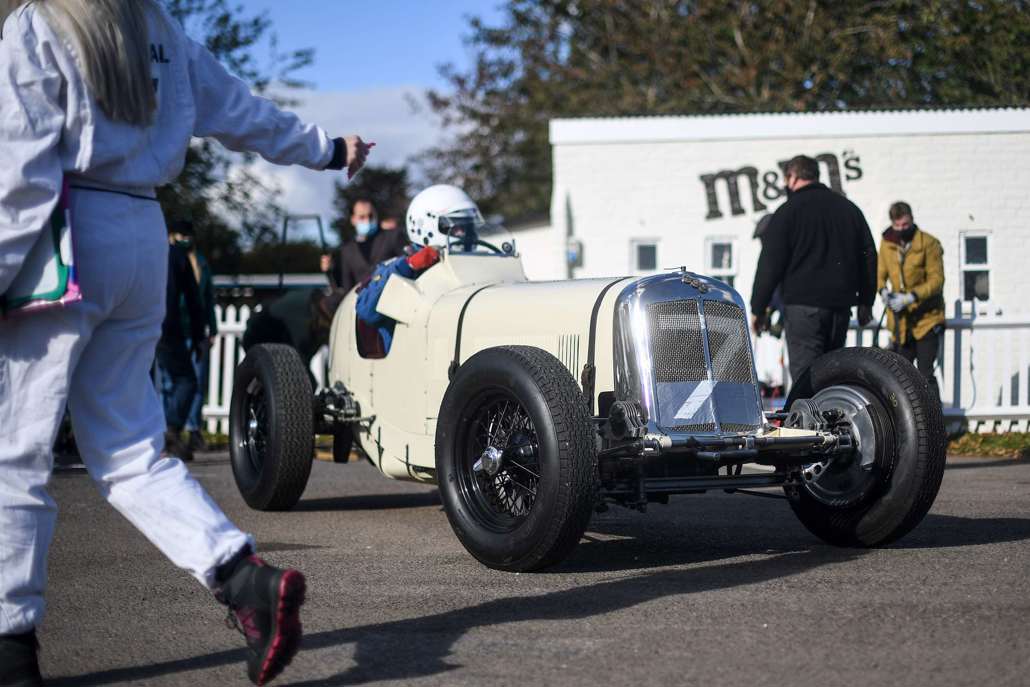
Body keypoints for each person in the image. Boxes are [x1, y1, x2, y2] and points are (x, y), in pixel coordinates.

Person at [0, 1, 371, 684]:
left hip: (65, 230)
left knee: (13, 454)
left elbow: (19, 172)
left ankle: (10, 651)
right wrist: (327, 149)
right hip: (143, 230)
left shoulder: (38, 24)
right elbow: (244, 113)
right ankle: (243, 578)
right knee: (129, 450)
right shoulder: (160, 30)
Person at [750, 155, 877, 383]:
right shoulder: (848, 209)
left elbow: (770, 264)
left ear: (792, 177)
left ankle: (809, 408)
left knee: (805, 379)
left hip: (803, 309)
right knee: (833, 375)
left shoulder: (787, 212)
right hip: (840, 308)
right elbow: (868, 256)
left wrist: (758, 309)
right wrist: (866, 301)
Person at [354, 185, 483, 355]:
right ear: (425, 225)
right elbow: (366, 311)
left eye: (467, 226)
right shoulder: (400, 267)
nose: (464, 234)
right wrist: (409, 266)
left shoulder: (472, 261)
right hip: (412, 359)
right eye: (456, 226)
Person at [877, 201, 945, 395]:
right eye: (897, 226)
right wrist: (883, 291)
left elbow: (937, 280)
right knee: (900, 376)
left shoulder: (929, 243)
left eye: (905, 225)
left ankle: (934, 414)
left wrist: (911, 297)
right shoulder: (887, 243)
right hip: (901, 322)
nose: (901, 229)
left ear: (912, 220)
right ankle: (907, 415)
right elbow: (879, 274)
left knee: (925, 375)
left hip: (926, 319)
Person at [157, 224, 206, 462]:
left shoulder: (145, 249)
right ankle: (171, 432)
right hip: (167, 324)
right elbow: (194, 299)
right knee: (186, 380)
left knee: (141, 380)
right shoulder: (178, 256)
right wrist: (198, 336)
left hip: (135, 320)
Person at [171, 221, 219, 452]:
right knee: (172, 383)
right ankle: (170, 430)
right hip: (173, 330)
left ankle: (192, 429)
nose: (186, 239)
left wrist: (212, 328)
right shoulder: (169, 260)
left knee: (197, 382)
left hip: (195, 330)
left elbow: (207, 299)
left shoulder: (201, 264)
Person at [323, 198, 408, 300]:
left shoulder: (392, 237)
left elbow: (408, 266)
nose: (367, 220)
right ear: (353, 219)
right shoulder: (347, 250)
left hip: (395, 300)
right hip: (364, 305)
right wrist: (330, 271)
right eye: (362, 217)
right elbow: (346, 289)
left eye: (370, 216)